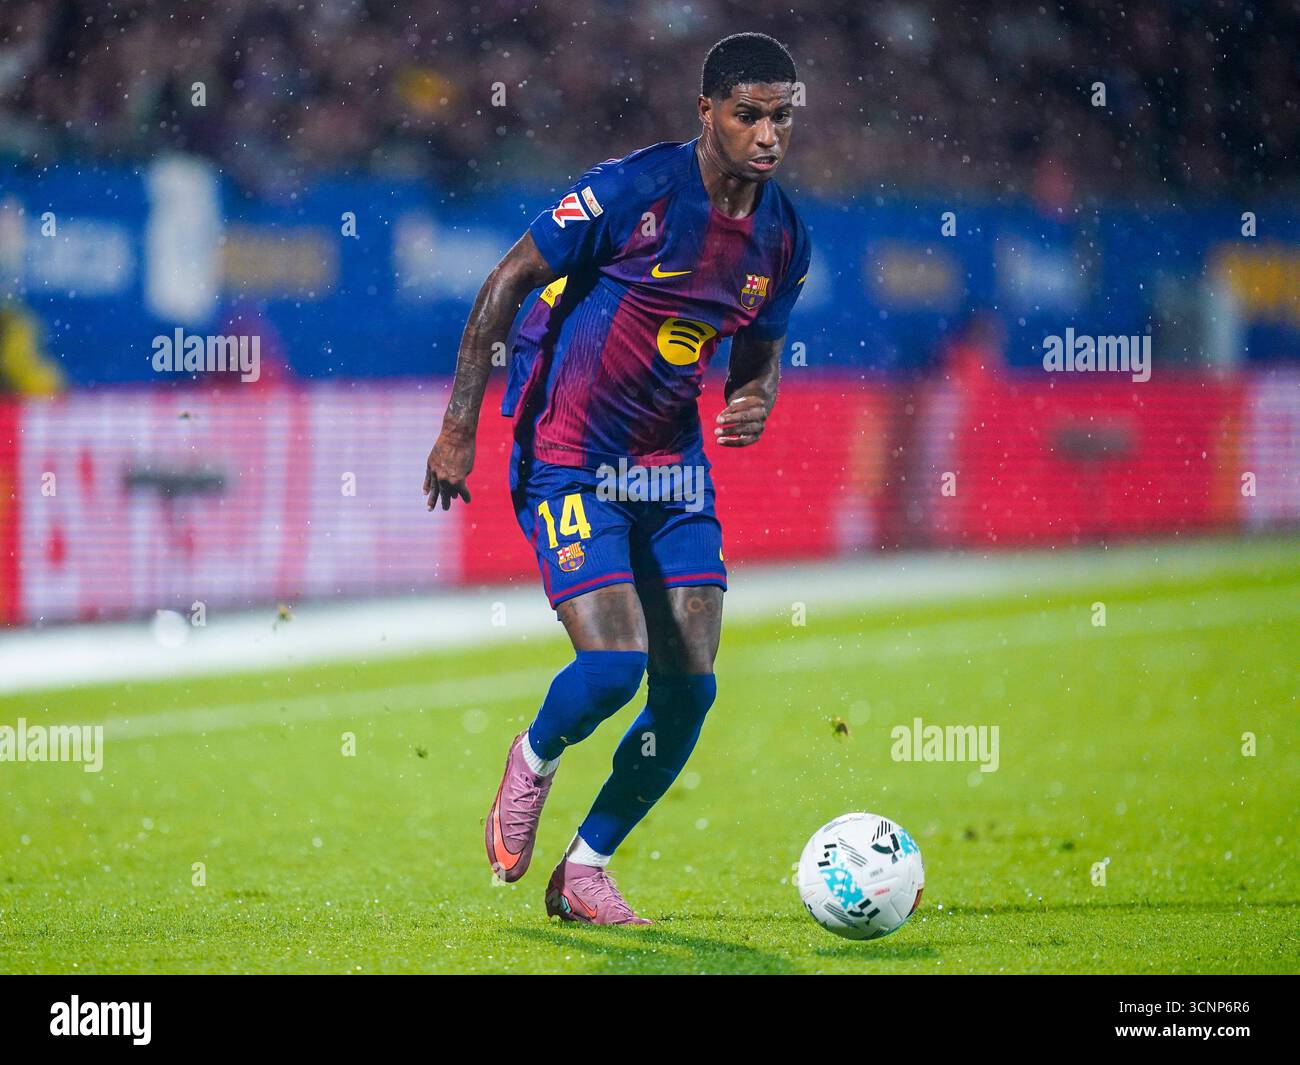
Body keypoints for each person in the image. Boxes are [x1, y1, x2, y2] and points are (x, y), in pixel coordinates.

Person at [423, 31, 812, 925]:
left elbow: (758, 354)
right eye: (748, 114)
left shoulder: (784, 233)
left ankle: (585, 866)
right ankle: (532, 757)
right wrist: (458, 431)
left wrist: (756, 399)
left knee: (690, 688)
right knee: (611, 670)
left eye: (780, 116)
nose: (766, 134)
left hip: (672, 469)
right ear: (706, 112)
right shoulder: (634, 188)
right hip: (569, 454)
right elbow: (507, 281)